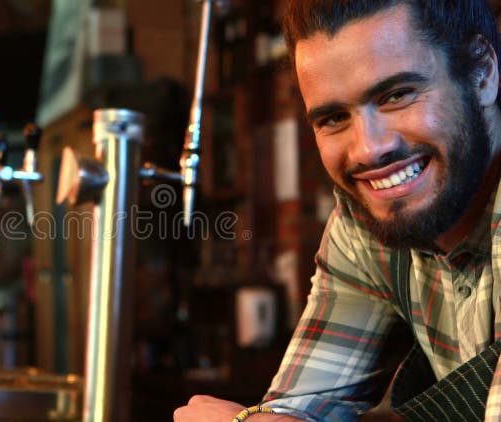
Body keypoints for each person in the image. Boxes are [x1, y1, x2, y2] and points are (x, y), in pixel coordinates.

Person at [174, 0, 501, 420]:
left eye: (397, 95)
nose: (368, 149)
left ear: (483, 72)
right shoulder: (367, 219)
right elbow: (299, 408)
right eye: (333, 118)